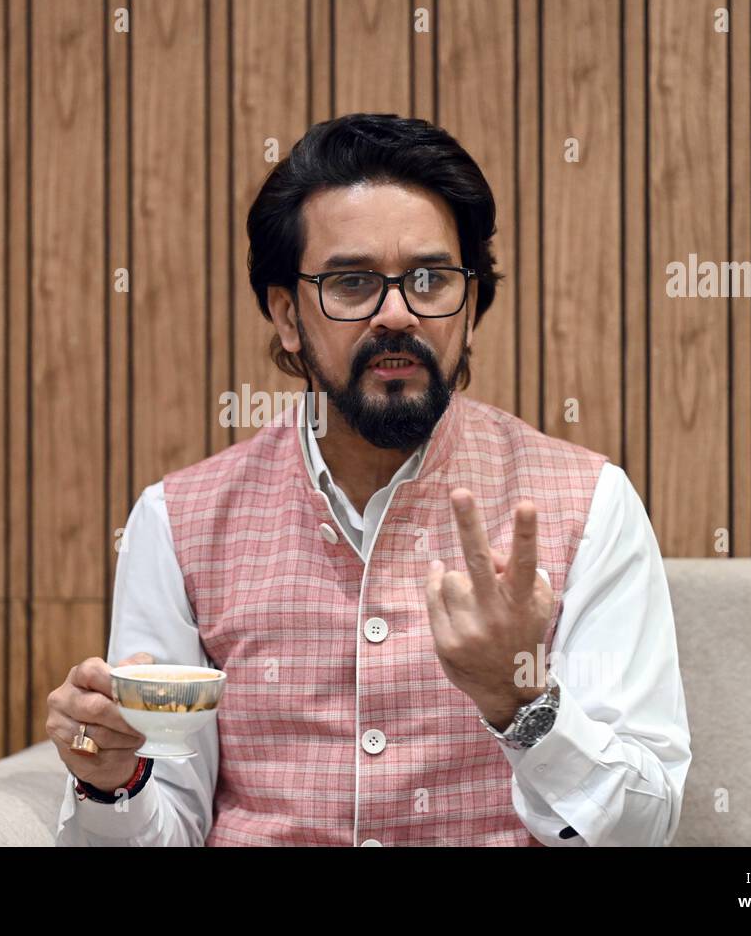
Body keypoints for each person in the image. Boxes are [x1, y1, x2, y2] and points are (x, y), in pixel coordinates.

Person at [49, 112, 690, 846]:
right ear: (288, 315)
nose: (396, 313)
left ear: (471, 306)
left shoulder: (588, 503)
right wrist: (111, 783)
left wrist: (521, 702)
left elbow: (643, 830)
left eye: (430, 279)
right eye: (353, 283)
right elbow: (169, 824)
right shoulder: (178, 521)